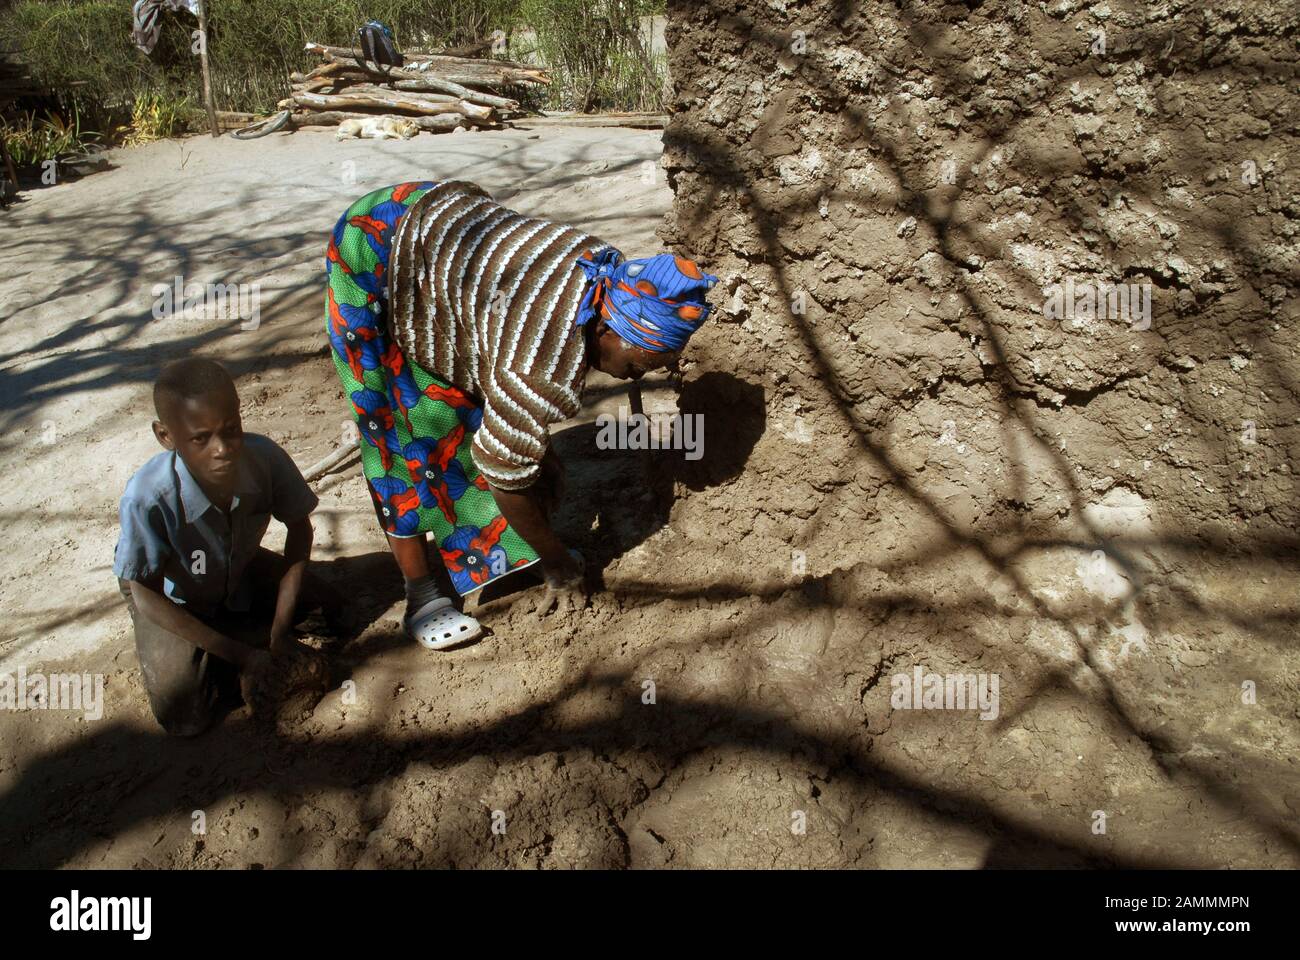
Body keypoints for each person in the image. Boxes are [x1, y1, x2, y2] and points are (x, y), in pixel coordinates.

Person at [325, 179, 718, 649]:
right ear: (609, 331)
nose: (635, 378)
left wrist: (535, 452)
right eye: (639, 365)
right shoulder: (539, 366)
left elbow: (506, 351)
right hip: (373, 249)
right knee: (390, 427)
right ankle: (421, 593)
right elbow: (503, 470)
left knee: (462, 413)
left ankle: (493, 551)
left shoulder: (608, 272)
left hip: (446, 229)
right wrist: (561, 566)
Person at [113, 358, 334, 735]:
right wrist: (243, 656)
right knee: (185, 715)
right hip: (168, 591)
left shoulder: (264, 458)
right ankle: (228, 643)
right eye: (200, 438)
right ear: (166, 437)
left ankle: (246, 629)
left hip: (237, 562)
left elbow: (300, 531)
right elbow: (145, 593)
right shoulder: (147, 497)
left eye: (231, 430)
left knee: (335, 616)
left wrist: (280, 631)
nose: (222, 449)